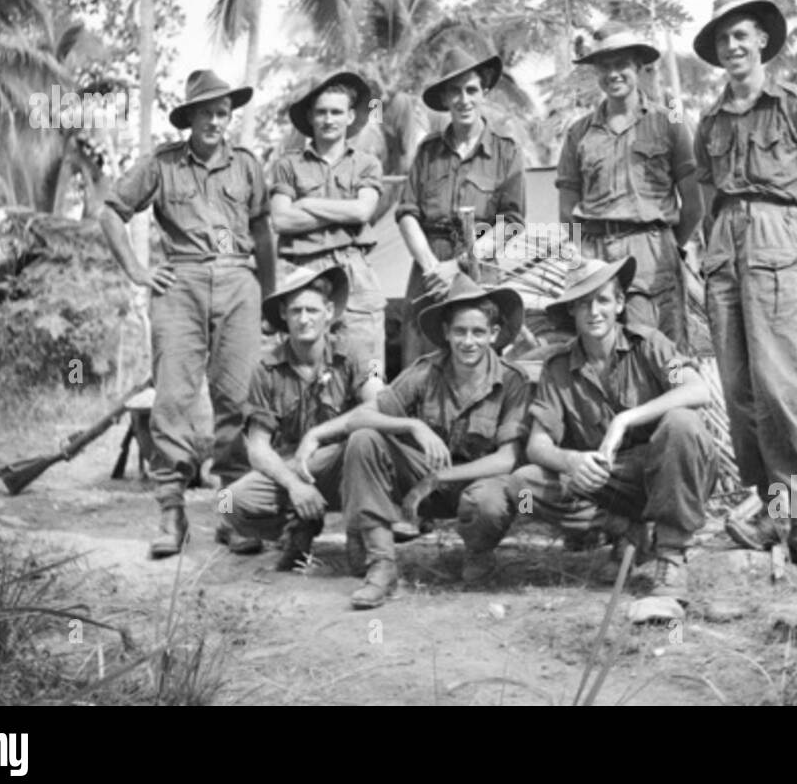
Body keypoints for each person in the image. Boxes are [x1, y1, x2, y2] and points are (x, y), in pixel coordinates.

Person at [691, 0, 797, 580]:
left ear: (762, 43)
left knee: (781, 389)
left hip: (780, 240)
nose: (733, 47)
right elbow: (707, 200)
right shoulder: (709, 121)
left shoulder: (795, 104)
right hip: (726, 247)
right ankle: (769, 509)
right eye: (724, 39)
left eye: (742, 37)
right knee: (740, 391)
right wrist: (708, 255)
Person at [100, 69, 276, 559]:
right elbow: (111, 211)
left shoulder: (246, 165)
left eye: (223, 113)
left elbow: (262, 232)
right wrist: (137, 271)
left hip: (239, 282)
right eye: (207, 113)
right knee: (173, 398)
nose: (216, 122)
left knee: (238, 400)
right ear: (190, 118)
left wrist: (269, 295)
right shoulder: (161, 164)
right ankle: (171, 513)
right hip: (181, 282)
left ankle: (230, 512)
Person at [520, 257, 714, 609]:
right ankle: (626, 531)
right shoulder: (558, 367)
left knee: (681, 423)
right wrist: (571, 460)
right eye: (583, 304)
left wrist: (623, 421)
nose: (594, 312)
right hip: (612, 481)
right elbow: (537, 443)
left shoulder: (650, 344)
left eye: (603, 301)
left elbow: (697, 389)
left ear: (620, 304)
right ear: (571, 313)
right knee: (523, 486)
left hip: (670, 470)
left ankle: (670, 555)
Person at [338, 274, 532, 610]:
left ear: (494, 335)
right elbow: (359, 418)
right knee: (364, 440)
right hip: (423, 481)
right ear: (446, 333)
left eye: (478, 332)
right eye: (459, 331)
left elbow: (506, 460)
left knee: (490, 500)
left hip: (472, 484)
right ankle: (381, 564)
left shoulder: (513, 381)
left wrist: (440, 477)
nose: (468, 342)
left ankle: (478, 553)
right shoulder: (425, 371)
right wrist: (413, 425)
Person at [220, 263, 384, 571]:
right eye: (296, 311)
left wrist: (318, 435)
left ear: (329, 311)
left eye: (312, 310)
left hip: (347, 466)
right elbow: (257, 447)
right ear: (283, 314)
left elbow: (379, 404)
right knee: (228, 502)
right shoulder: (265, 369)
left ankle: (360, 532)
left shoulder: (359, 352)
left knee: (365, 443)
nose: (304, 319)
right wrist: (294, 485)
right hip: (295, 468)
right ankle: (300, 524)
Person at [557, 25, 702, 350]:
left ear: (637, 66)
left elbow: (693, 204)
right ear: (596, 73)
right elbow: (567, 214)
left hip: (651, 250)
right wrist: (579, 259)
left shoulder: (669, 124)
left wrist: (665, 244)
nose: (613, 74)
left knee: (662, 351)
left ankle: (676, 400)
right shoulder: (578, 134)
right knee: (602, 352)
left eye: (621, 64)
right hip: (595, 252)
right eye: (605, 67)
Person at [395, 47, 526, 367]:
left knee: (478, 360)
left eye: (471, 90)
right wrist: (432, 268)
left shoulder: (506, 151)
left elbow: (511, 222)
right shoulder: (428, 151)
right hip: (429, 268)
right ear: (445, 98)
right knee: (422, 362)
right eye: (455, 91)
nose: (463, 100)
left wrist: (458, 266)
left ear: (483, 94)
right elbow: (407, 213)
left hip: (480, 266)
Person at [269, 71, 387, 369]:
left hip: (354, 268)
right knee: (307, 366)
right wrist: (341, 213)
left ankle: (368, 414)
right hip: (303, 270)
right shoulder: (288, 165)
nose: (328, 119)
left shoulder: (366, 163)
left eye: (336, 112)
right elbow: (281, 220)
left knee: (368, 365)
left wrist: (307, 203)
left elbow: (363, 211)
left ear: (350, 116)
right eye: (321, 112)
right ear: (310, 116)